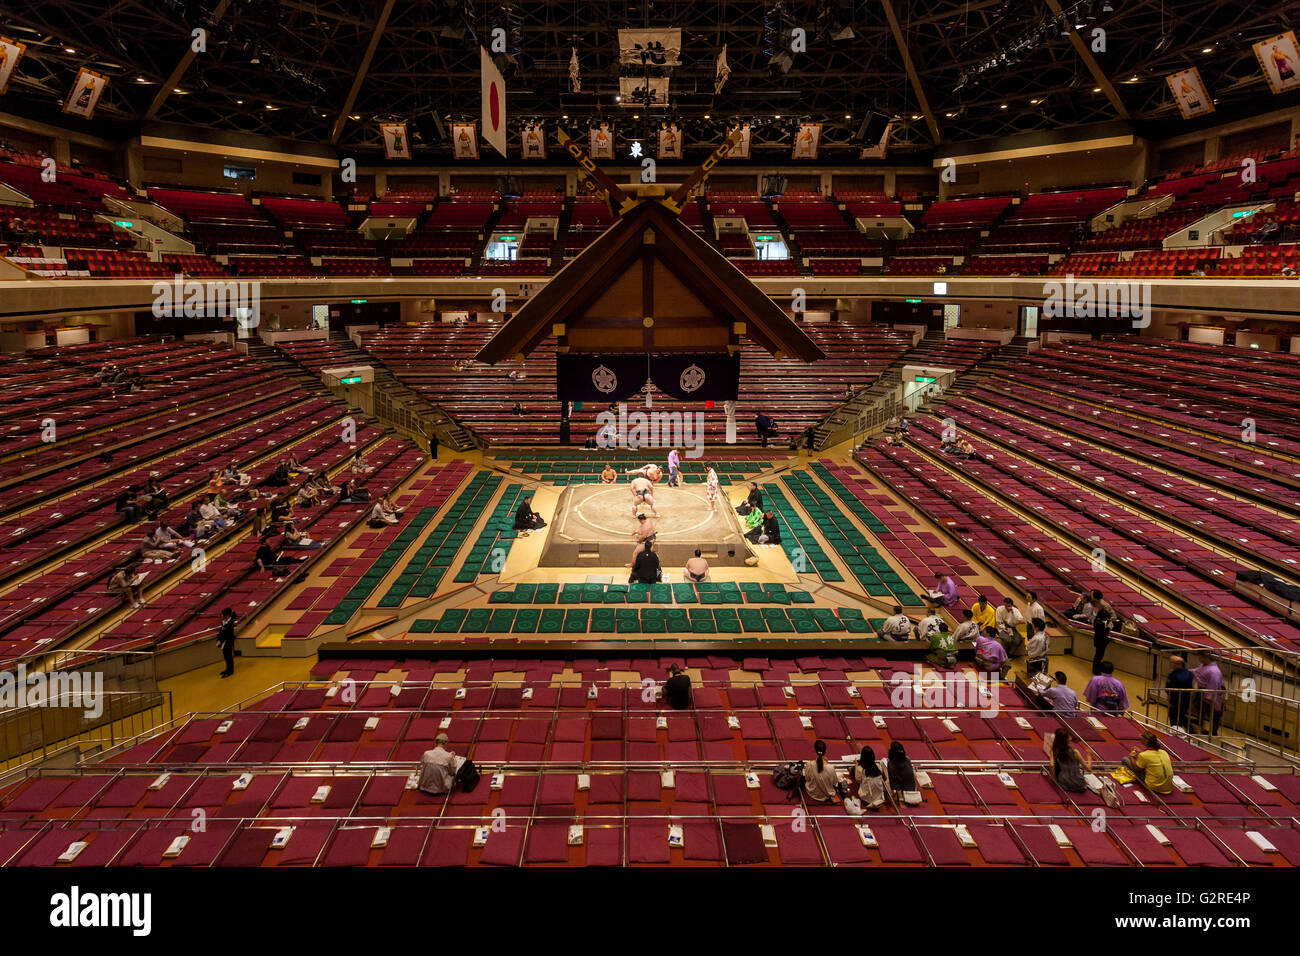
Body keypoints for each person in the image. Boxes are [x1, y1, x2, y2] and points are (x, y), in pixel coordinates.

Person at [1046, 728, 1092, 793]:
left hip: (1065, 785)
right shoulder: (1075, 752)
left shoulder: (1054, 751)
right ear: (1066, 739)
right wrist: (1089, 756)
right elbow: (1089, 769)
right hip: (1080, 785)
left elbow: (1051, 765)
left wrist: (1055, 780)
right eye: (1069, 736)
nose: (1071, 738)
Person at [1191, 652, 1226, 736]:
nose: (1199, 659)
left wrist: (1208, 697)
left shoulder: (1214, 671)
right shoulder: (1204, 665)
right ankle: (1200, 721)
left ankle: (1213, 732)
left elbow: (1214, 686)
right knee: (1199, 707)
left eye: (1200, 657)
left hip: (1212, 693)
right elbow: (1197, 671)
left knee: (1215, 714)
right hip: (1203, 691)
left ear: (1205, 658)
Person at [1165, 655, 1195, 731]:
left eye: (1171, 662)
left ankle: (1176, 735)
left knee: (1175, 719)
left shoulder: (1177, 676)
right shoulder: (1187, 673)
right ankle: (1190, 729)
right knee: (1181, 716)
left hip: (1177, 702)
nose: (1170, 664)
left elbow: (1174, 691)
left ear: (1178, 664)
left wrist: (1171, 701)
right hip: (1184, 701)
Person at [1089, 589, 1116, 674]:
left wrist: (1108, 625)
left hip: (1101, 634)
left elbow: (1113, 617)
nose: (1090, 596)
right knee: (1099, 655)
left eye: (1092, 595)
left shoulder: (1104, 606)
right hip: (1101, 636)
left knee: (1098, 655)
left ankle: (1096, 669)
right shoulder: (1099, 621)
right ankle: (1096, 670)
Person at [215, 607, 237, 679]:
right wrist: (219, 639)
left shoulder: (230, 623)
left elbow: (225, 634)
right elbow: (221, 632)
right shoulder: (224, 621)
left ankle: (230, 671)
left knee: (228, 657)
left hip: (228, 641)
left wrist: (220, 641)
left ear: (227, 615)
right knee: (225, 656)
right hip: (224, 641)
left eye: (222, 615)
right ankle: (227, 669)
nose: (221, 616)